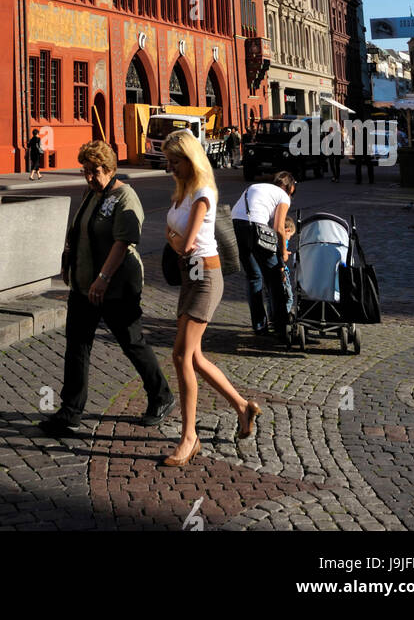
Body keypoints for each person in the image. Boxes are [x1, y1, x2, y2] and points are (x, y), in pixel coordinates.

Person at [42, 140, 173, 438]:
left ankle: (161, 395)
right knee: (76, 346)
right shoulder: (92, 193)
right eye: (85, 170)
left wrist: (102, 277)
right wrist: (69, 264)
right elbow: (79, 231)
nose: (89, 176)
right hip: (83, 286)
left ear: (111, 169)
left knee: (132, 342)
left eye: (95, 171)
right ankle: (70, 413)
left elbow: (123, 241)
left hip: (115, 287)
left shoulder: (125, 196)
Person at [162, 131, 260, 466]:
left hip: (204, 275)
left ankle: (189, 438)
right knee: (194, 357)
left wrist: (174, 238)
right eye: (169, 161)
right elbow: (174, 237)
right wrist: (174, 238)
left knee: (180, 357)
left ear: (191, 160)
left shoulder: (202, 193)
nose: (170, 167)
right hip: (191, 276)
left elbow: (186, 243)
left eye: (175, 162)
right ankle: (243, 407)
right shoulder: (184, 191)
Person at [230, 172, 295, 335]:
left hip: (236, 225)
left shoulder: (255, 187)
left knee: (254, 277)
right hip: (256, 227)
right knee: (274, 278)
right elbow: (279, 228)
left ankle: (259, 326)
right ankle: (281, 327)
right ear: (291, 188)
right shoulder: (283, 196)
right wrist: (283, 253)